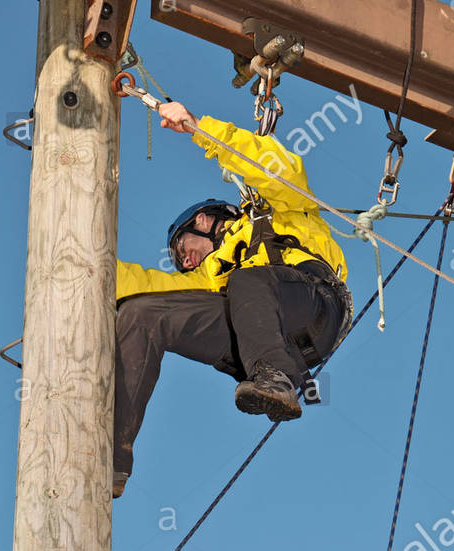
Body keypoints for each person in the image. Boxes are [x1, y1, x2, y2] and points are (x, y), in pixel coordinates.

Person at [113, 100, 353, 497]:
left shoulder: (281, 211)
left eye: (184, 247)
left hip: (312, 304)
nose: (184, 260)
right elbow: (145, 284)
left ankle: (276, 381)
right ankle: (113, 458)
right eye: (179, 259)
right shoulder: (213, 279)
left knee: (247, 282)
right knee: (142, 313)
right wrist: (83, 263)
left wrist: (199, 129)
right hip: (259, 333)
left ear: (205, 220)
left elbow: (280, 167)